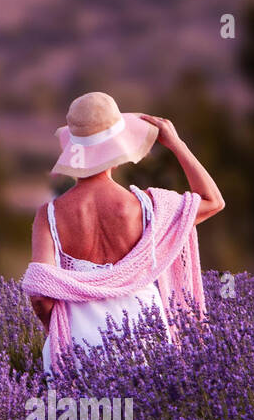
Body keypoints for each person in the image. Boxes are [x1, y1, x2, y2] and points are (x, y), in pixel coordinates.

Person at [21, 92, 225, 375]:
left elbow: (40, 293)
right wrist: (176, 144)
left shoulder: (50, 214)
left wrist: (52, 326)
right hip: (145, 334)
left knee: (84, 418)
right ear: (117, 150)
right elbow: (213, 201)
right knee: (152, 416)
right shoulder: (149, 207)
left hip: (80, 340)